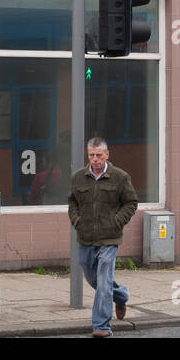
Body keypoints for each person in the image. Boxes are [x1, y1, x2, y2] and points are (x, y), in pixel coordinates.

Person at [67, 137, 138, 337]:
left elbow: (131, 203)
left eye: (99, 155)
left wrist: (117, 221)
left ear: (107, 155)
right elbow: (72, 202)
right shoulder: (78, 178)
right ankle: (121, 296)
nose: (95, 159)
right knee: (94, 279)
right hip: (85, 238)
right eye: (91, 155)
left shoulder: (120, 177)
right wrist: (77, 220)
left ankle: (101, 326)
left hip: (109, 238)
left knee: (104, 281)